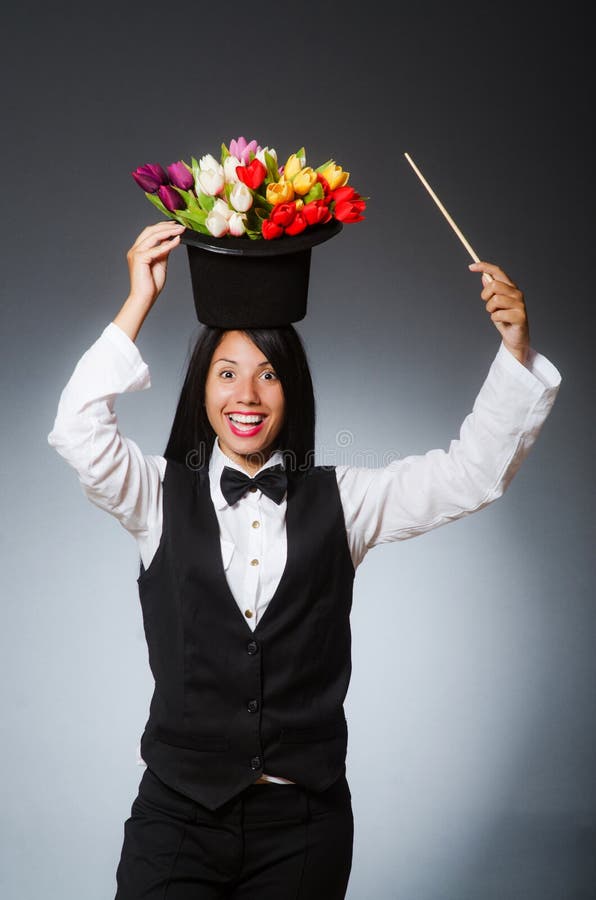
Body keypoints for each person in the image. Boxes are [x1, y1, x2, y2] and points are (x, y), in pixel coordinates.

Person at [47, 220, 561, 899]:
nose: (247, 397)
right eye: (226, 374)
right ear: (202, 389)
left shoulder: (347, 499)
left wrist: (515, 349)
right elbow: (79, 433)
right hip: (177, 816)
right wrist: (138, 299)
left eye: (268, 376)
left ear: (293, 392)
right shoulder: (155, 495)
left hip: (303, 827)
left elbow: (472, 474)